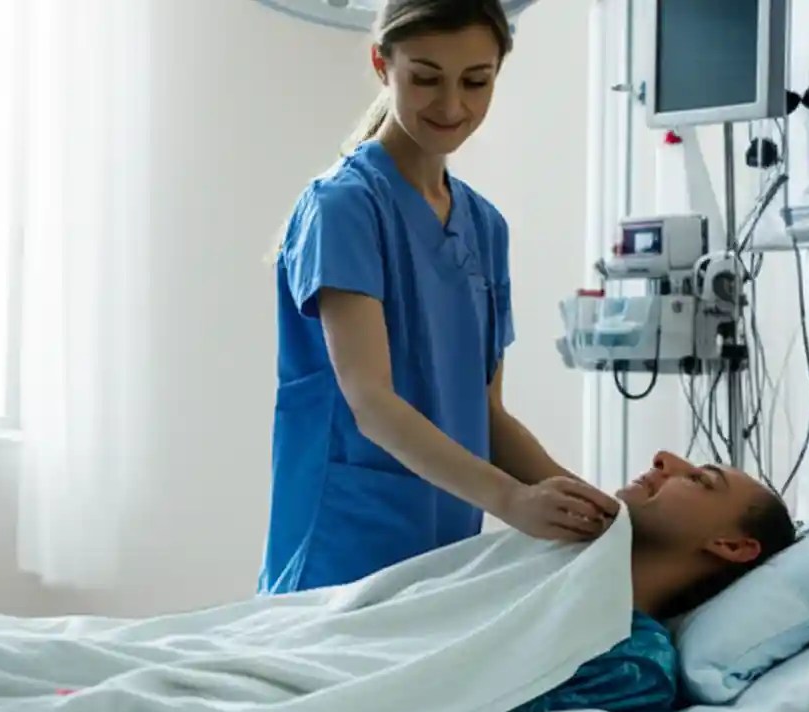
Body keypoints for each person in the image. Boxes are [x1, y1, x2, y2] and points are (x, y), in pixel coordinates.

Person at [262, 0, 620, 595]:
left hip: (444, 552)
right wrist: (511, 500)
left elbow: (486, 413)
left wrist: (598, 515)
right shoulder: (345, 207)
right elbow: (370, 402)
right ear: (383, 64)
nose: (452, 106)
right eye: (425, 78)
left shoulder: (485, 226)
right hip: (341, 549)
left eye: (475, 81)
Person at [506, 451, 798, 712]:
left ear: (732, 545)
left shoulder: (632, 666)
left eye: (700, 480)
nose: (662, 458)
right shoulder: (554, 548)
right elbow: (501, 441)